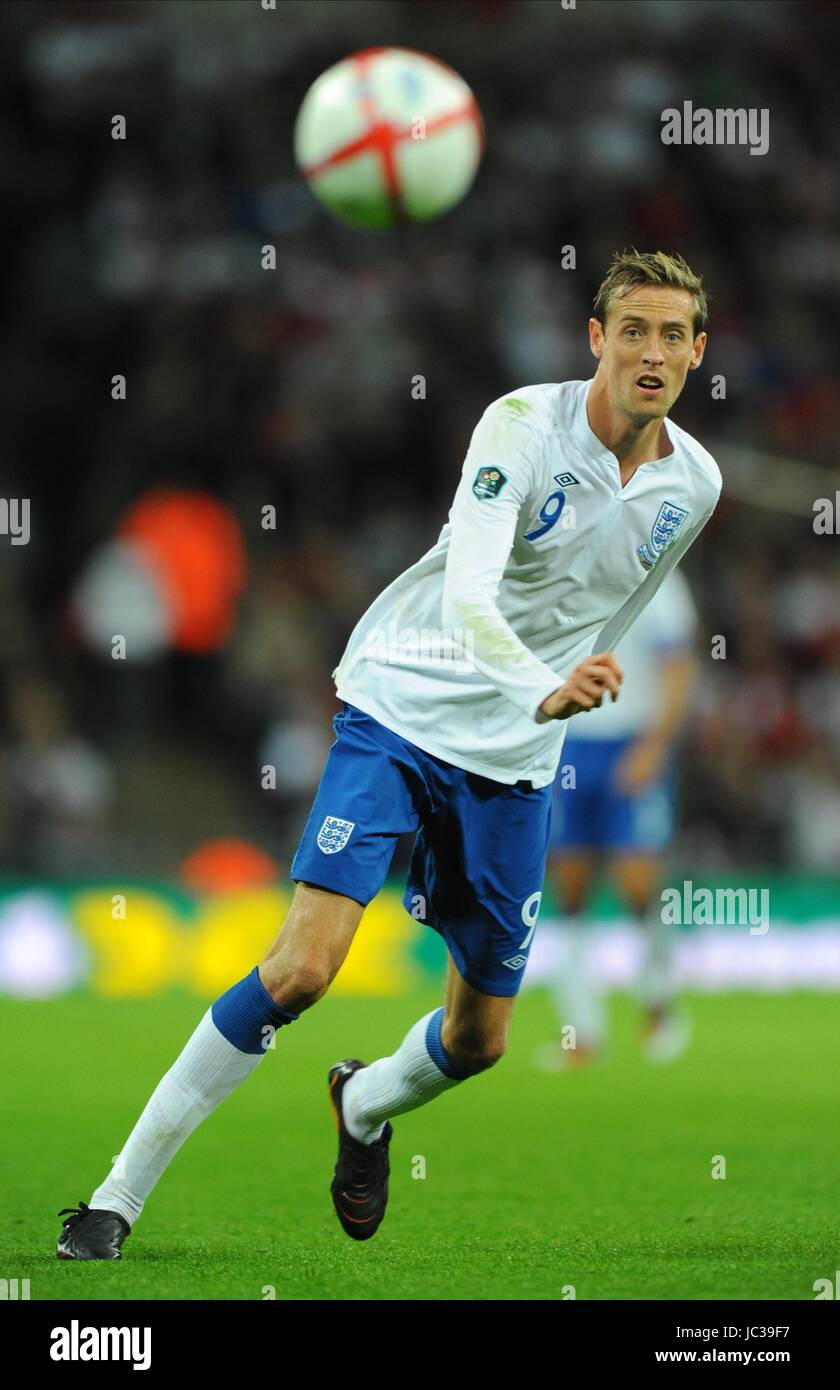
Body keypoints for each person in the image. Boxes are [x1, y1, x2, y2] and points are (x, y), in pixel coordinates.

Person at [57, 250, 721, 1259]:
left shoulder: (696, 485)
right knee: (303, 966)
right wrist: (538, 683)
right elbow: (468, 594)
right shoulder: (518, 428)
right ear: (596, 339)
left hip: (516, 758)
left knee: (479, 1040)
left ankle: (361, 1105)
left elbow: (612, 609)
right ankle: (113, 1198)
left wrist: (550, 699)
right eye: (633, 329)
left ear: (698, 352)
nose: (652, 351)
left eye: (674, 334)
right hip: (405, 703)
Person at [536, 569, 699, 1072]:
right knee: (570, 890)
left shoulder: (662, 580)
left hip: (632, 741)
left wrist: (655, 745)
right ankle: (581, 1031)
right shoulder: (562, 570)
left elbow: (678, 666)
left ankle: (659, 1009)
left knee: (637, 884)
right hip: (569, 744)